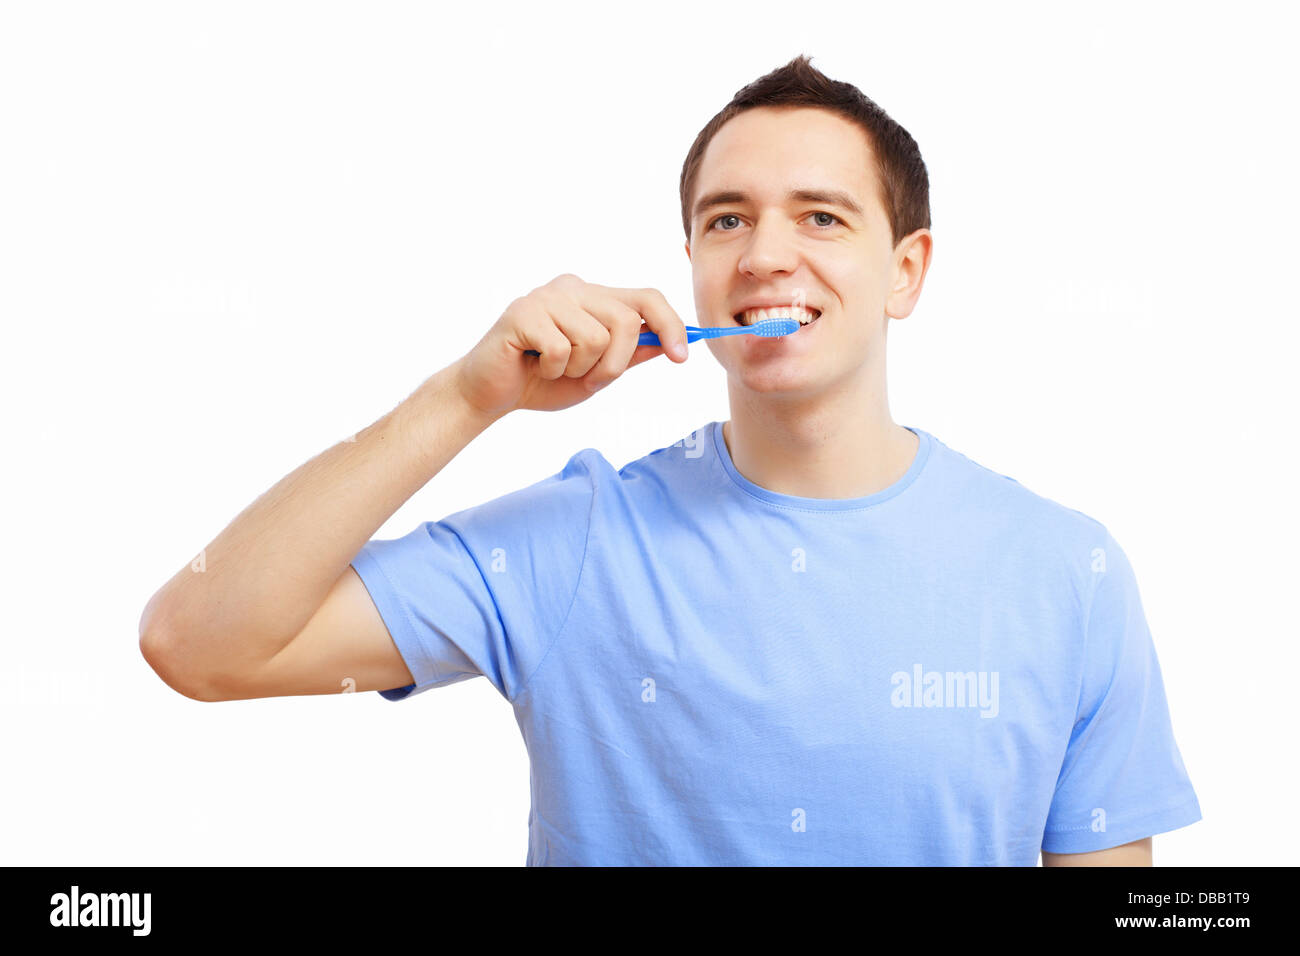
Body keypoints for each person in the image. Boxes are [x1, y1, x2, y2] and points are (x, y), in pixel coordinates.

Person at [139, 54, 1201, 866]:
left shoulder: (1067, 570)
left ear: (905, 269)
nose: (765, 253)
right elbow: (199, 641)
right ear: (692, 263)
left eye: (821, 216)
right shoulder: (575, 541)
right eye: (726, 219)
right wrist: (469, 397)